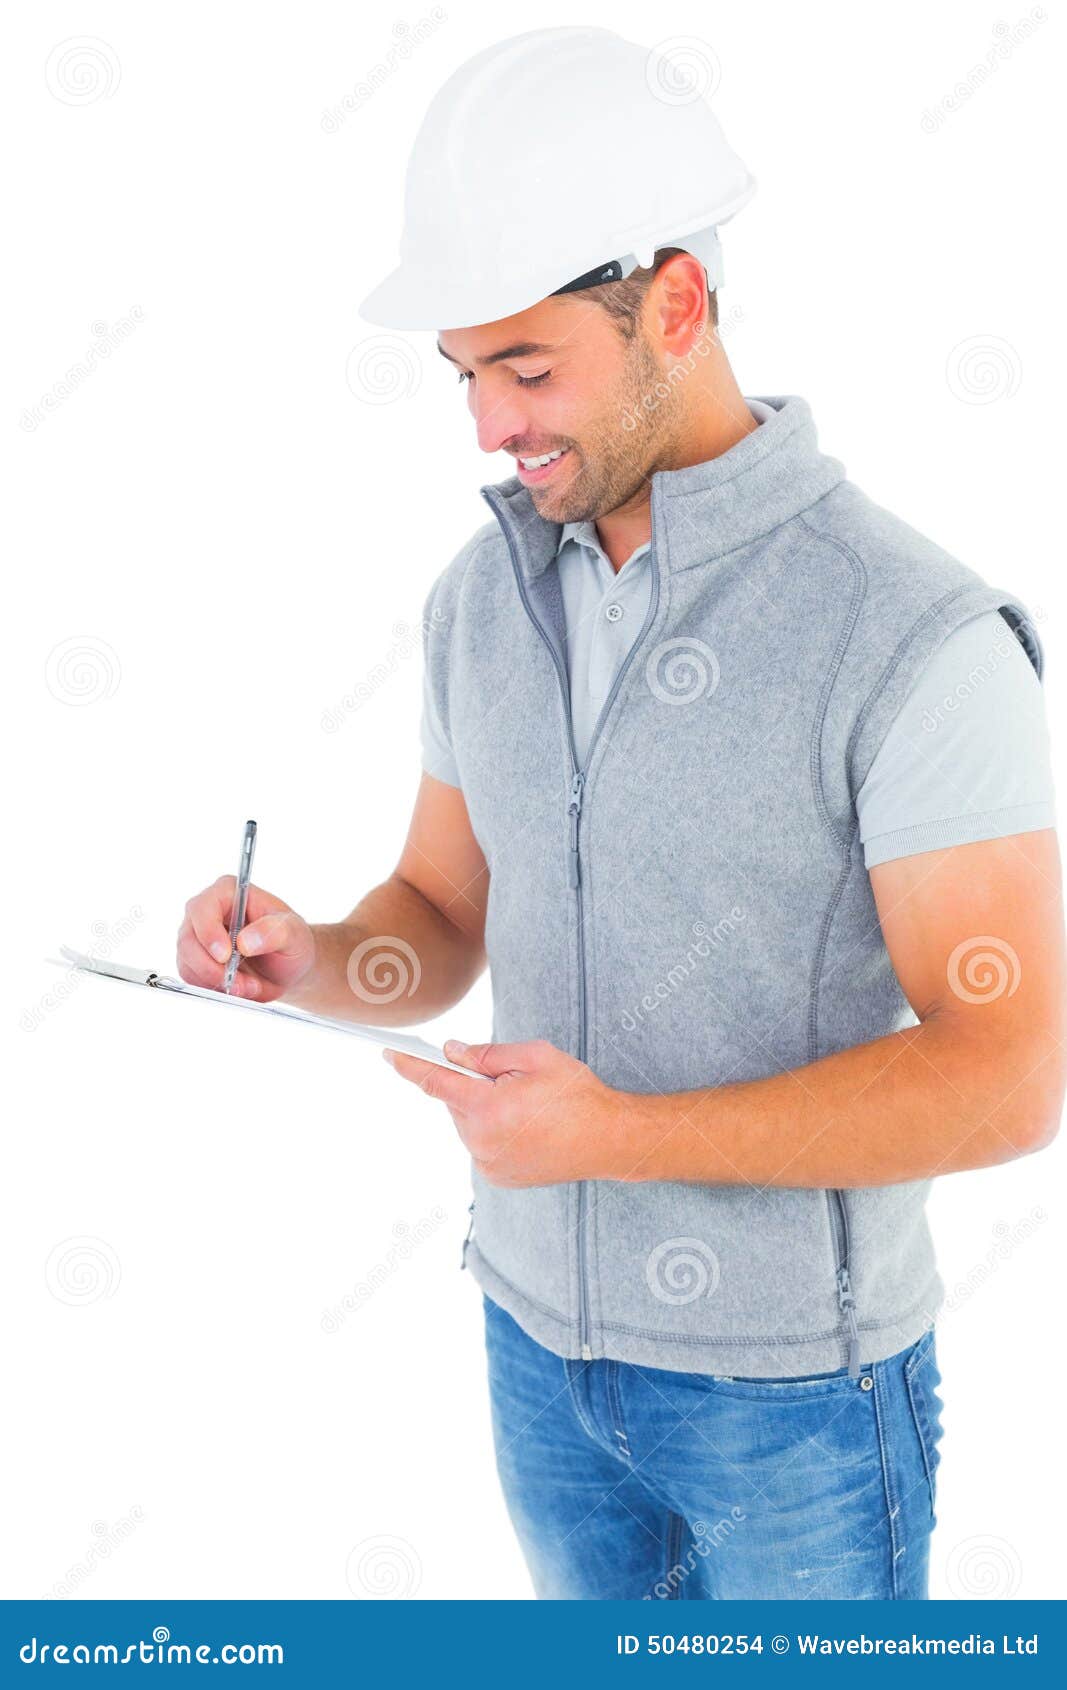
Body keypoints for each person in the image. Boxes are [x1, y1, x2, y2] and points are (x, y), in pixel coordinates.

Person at [177, 28, 1065, 1599]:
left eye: (528, 369)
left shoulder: (908, 634)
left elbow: (1008, 1072)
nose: (488, 426)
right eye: (466, 375)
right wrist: (311, 956)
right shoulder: (483, 598)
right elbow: (440, 917)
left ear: (677, 306)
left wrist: (623, 1137)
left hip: (796, 1406)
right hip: (536, 1356)